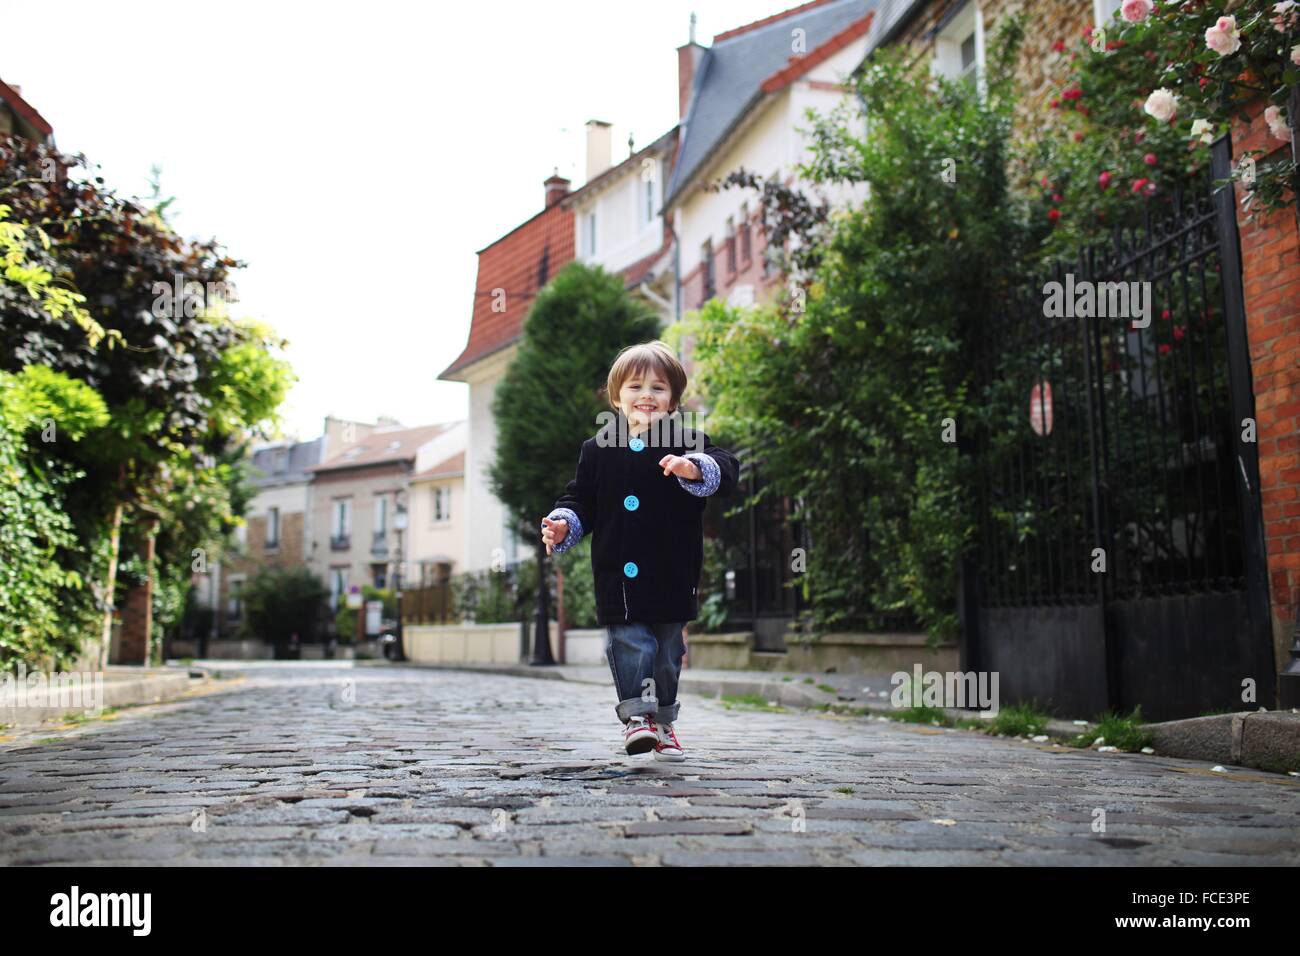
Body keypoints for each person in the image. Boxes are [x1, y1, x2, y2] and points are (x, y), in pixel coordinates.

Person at [541, 341, 740, 760]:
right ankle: (637, 718)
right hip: (619, 574)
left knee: (668, 651)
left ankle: (663, 719)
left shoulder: (689, 441)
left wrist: (695, 467)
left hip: (672, 571)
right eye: (635, 386)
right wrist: (564, 524)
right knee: (630, 641)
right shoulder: (597, 451)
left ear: (673, 401)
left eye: (659, 388)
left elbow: (728, 467)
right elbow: (580, 500)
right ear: (617, 397)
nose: (647, 395)